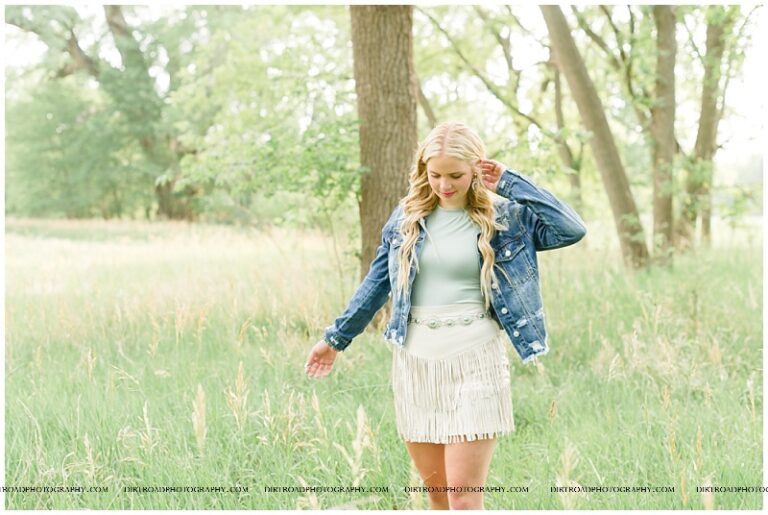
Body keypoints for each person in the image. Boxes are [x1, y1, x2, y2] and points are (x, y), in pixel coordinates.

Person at [305, 121, 587, 510]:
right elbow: (376, 285)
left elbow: (570, 228)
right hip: (416, 364)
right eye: (434, 174)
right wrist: (335, 339)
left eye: (455, 174)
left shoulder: (505, 218)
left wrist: (508, 182)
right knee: (438, 501)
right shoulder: (406, 218)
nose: (444, 184)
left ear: (476, 169)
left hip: (476, 360)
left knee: (463, 501)